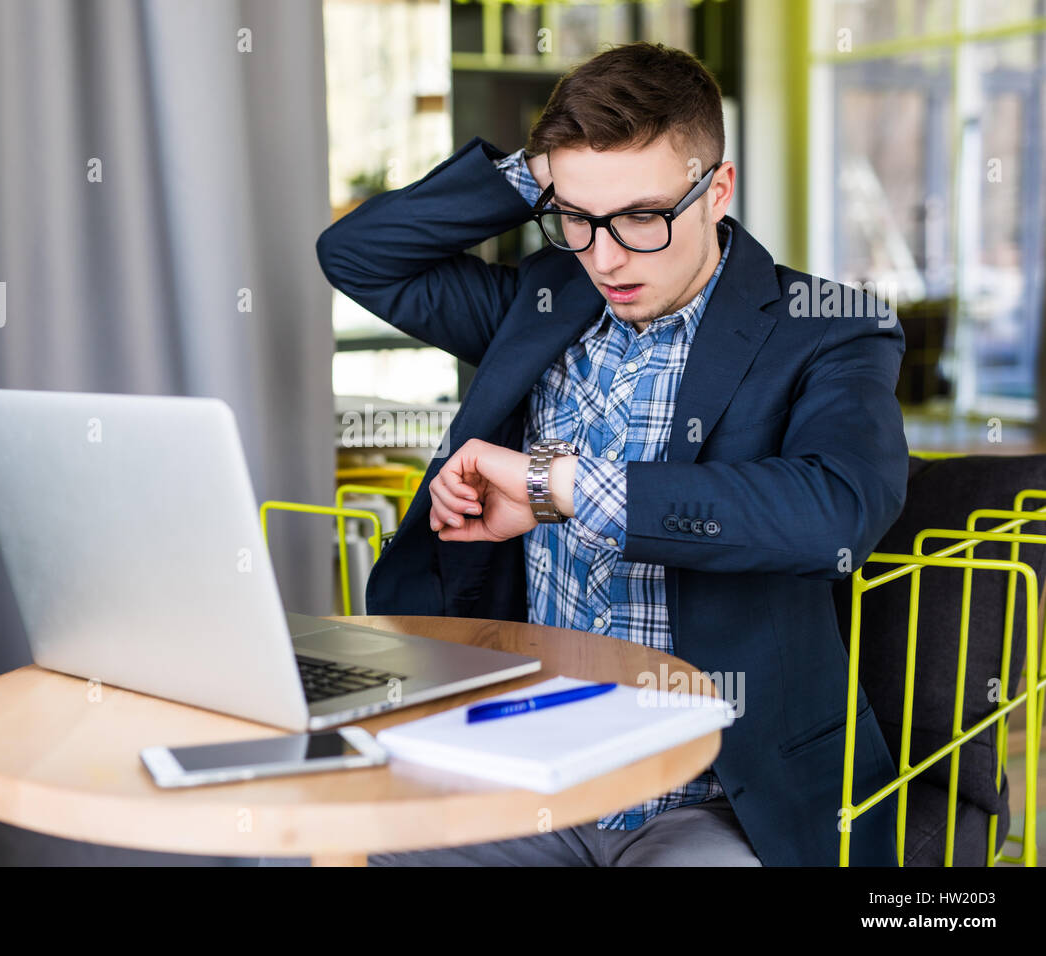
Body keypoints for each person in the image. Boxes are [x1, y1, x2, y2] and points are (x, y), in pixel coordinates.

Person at [315, 41, 905, 866]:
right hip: (528, 769)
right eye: (577, 218)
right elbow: (357, 255)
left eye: (641, 216)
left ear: (718, 189)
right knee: (334, 844)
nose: (606, 256)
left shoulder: (828, 324)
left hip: (712, 799)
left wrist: (557, 485)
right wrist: (535, 173)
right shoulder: (544, 296)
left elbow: (833, 510)